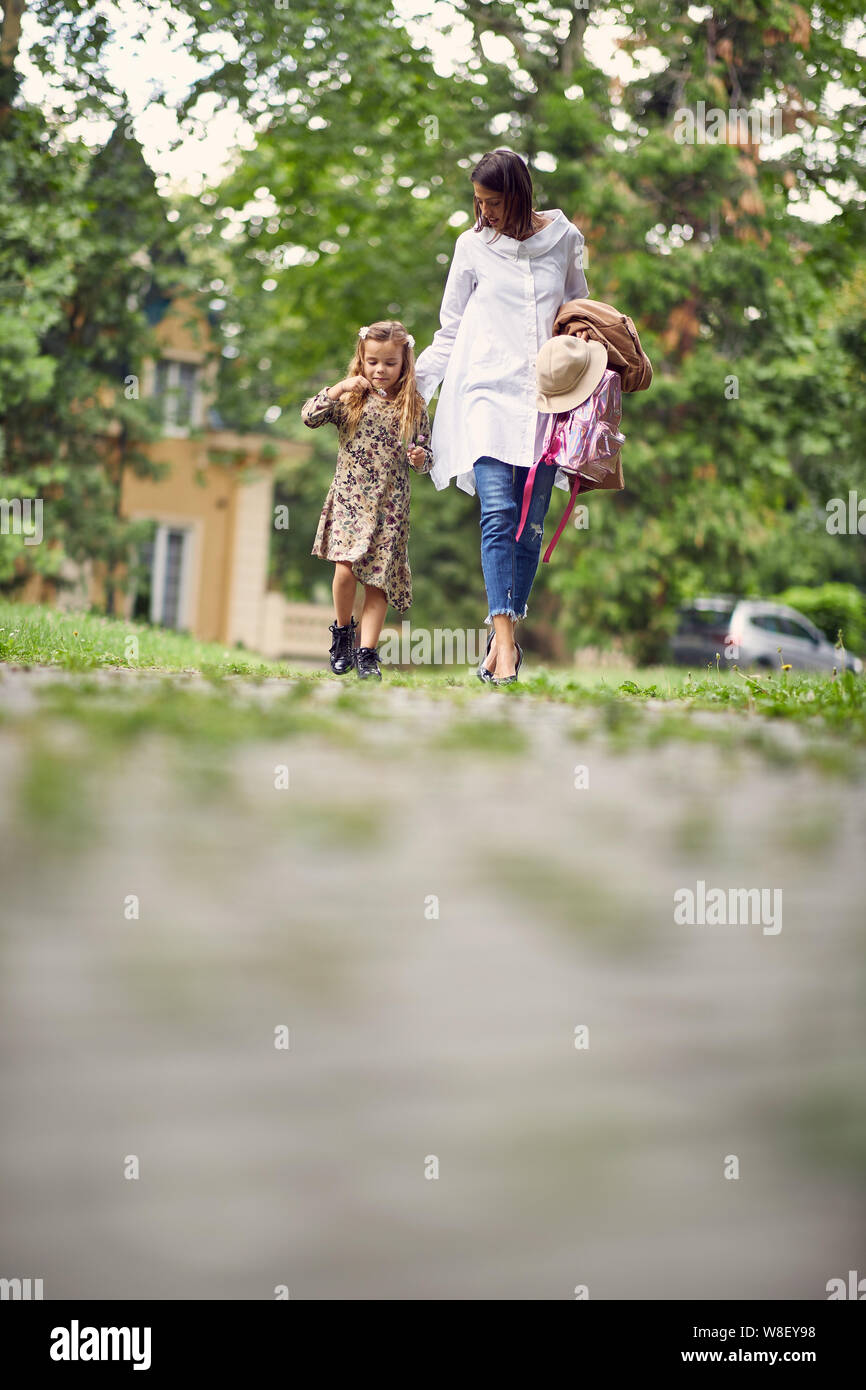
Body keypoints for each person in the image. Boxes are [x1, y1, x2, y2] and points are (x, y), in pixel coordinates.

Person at [414, 148, 589, 685]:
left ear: (518, 196)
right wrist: (410, 389)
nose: (483, 212)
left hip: (545, 398)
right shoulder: (471, 246)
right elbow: (449, 329)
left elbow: (578, 310)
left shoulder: (565, 241)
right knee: (497, 511)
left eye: (492, 202)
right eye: (478, 202)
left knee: (529, 525)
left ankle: (499, 636)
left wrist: (582, 338)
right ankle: (509, 645)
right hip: (485, 390)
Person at [301, 320, 433, 680]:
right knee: (344, 571)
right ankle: (342, 634)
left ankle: (367, 654)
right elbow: (309, 417)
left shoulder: (414, 406)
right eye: (373, 361)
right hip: (350, 500)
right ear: (361, 358)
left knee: (378, 582)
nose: (380, 370)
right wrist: (340, 387)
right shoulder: (350, 399)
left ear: (404, 363)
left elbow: (426, 453)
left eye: (390, 363)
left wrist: (422, 459)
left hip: (390, 509)